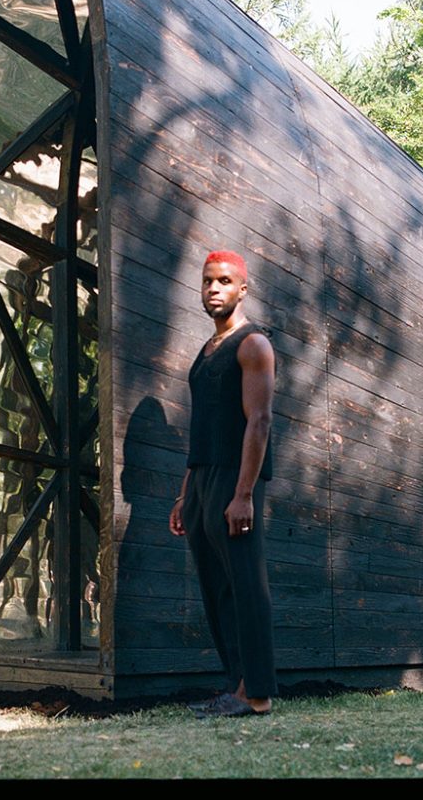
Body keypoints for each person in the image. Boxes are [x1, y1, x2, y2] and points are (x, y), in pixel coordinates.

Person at [169, 250, 277, 718]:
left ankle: (258, 693)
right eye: (208, 281)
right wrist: (185, 493)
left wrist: (244, 494)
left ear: (242, 290)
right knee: (217, 588)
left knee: (245, 584)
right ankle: (237, 687)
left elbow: (259, 422)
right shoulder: (208, 348)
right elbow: (203, 426)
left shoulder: (253, 345)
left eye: (225, 281)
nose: (214, 288)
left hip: (236, 478)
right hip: (202, 478)